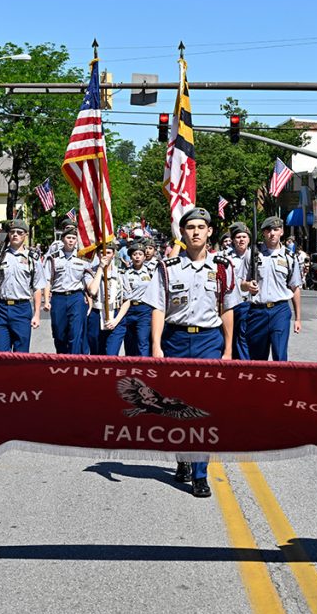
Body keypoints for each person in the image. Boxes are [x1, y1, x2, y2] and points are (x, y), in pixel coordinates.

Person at [145, 207, 238, 498]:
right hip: (175, 339)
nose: (196, 232)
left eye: (201, 227)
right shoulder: (167, 267)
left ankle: (200, 474)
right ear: (182, 233)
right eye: (190, 227)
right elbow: (158, 307)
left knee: (202, 409)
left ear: (210, 232)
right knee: (175, 406)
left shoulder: (222, 267)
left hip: (208, 341)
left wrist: (228, 349)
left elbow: (228, 309)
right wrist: (157, 346)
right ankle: (182, 456)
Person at [0, 219, 45, 353]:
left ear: (25, 235)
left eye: (19, 232)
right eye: (12, 232)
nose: (15, 235)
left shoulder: (32, 258)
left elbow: (37, 288)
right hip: (2, 308)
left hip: (22, 308)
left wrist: (37, 314)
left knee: (21, 354)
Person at [241, 216, 303, 361]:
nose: (272, 233)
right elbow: (241, 283)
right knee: (257, 357)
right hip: (257, 311)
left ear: (282, 232)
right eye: (268, 230)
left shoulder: (290, 257)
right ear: (263, 233)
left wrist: (298, 318)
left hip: (279, 310)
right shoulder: (252, 254)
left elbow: (295, 288)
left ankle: (280, 383)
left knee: (280, 355)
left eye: (276, 230)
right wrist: (248, 286)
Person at [42, 225, 92, 355]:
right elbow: (47, 280)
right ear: (63, 239)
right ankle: (62, 359)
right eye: (68, 237)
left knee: (76, 332)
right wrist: (46, 300)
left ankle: (73, 362)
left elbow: (87, 278)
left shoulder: (83, 258)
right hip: (58, 298)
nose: (71, 240)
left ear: (76, 241)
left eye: (73, 238)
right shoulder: (53, 258)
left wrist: (90, 294)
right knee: (59, 333)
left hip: (76, 297)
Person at [103, 242, 151, 356]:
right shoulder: (124, 273)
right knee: (129, 342)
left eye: (140, 254)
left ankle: (144, 368)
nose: (137, 257)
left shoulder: (151, 271)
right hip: (128, 310)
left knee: (142, 341)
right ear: (130, 257)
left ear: (144, 256)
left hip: (144, 310)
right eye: (135, 254)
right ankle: (131, 366)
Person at [223, 223, 252, 360]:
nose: (241, 240)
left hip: (245, 302)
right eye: (238, 237)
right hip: (228, 302)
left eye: (244, 237)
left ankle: (243, 365)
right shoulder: (224, 256)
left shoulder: (255, 256)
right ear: (233, 240)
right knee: (226, 335)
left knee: (242, 336)